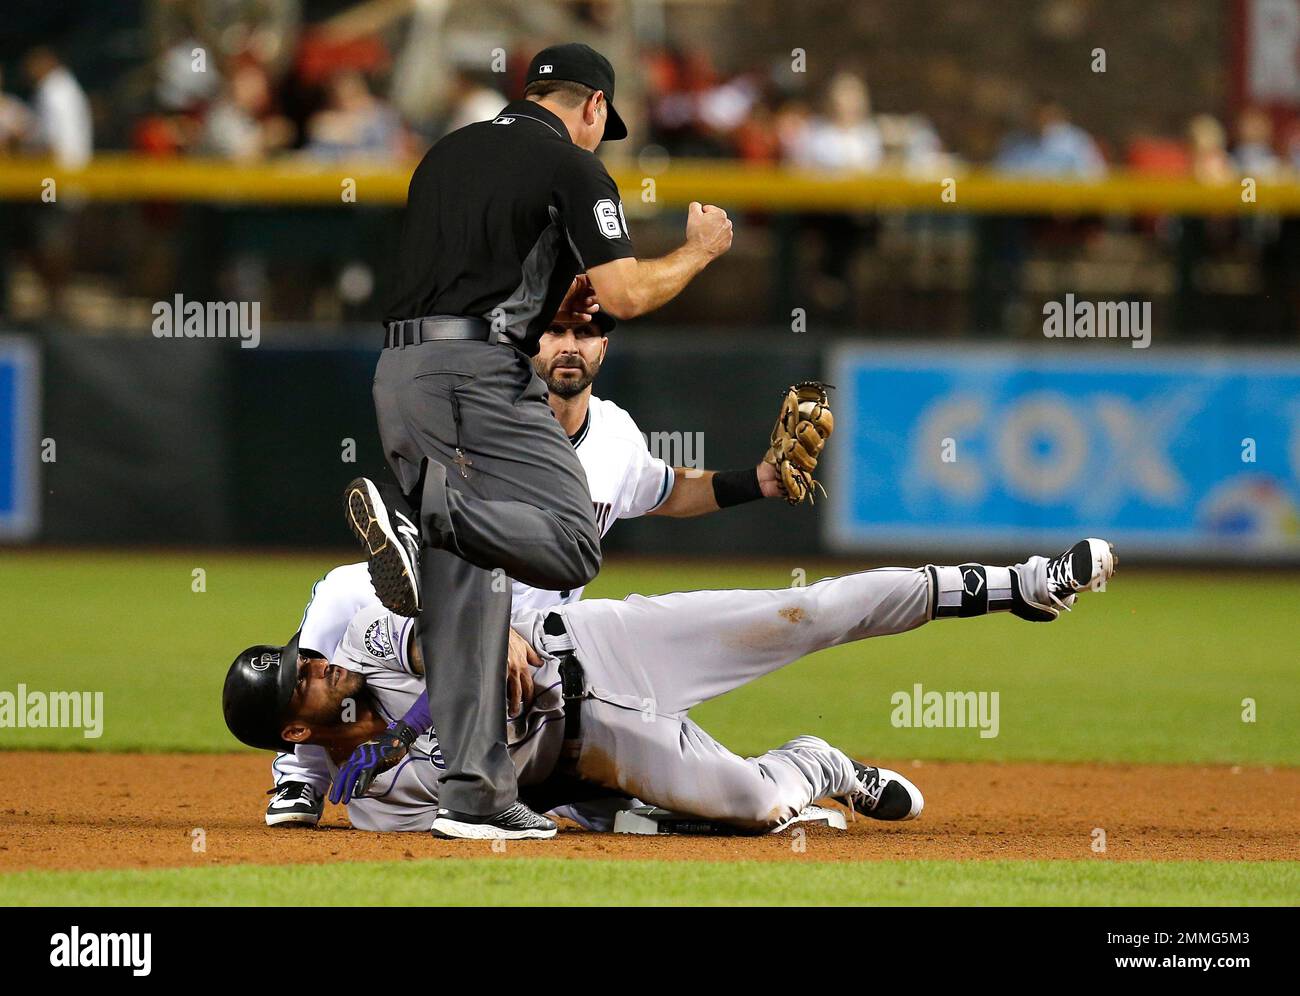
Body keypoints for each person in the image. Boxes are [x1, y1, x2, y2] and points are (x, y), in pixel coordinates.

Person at [357, 42, 732, 840]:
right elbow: (623, 293)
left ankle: (474, 796)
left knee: (467, 589)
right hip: (478, 372)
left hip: (399, 369)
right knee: (570, 537)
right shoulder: (571, 164)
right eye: (605, 122)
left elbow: (481, 269)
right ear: (593, 106)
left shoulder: (447, 153)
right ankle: (430, 515)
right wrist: (697, 251)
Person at [266, 309, 786, 826]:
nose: (569, 345)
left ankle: (566, 791)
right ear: (525, 344)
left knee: (595, 791)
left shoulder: (615, 433)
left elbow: (667, 490)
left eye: (585, 333)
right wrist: (478, 628)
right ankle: (300, 775)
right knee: (341, 589)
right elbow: (433, 517)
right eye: (554, 331)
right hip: (462, 605)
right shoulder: (483, 420)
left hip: (547, 644)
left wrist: (758, 481)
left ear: (603, 348)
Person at [224, 540, 1118, 834]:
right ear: (297, 735)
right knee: (761, 806)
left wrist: (468, 644)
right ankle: (823, 763)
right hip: (604, 752)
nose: (316, 662)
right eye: (300, 680)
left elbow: (439, 622)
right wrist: (595, 812)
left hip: (607, 649)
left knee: (808, 612)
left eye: (302, 655)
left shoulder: (374, 637)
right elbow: (516, 821)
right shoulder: (376, 805)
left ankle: (1027, 584)